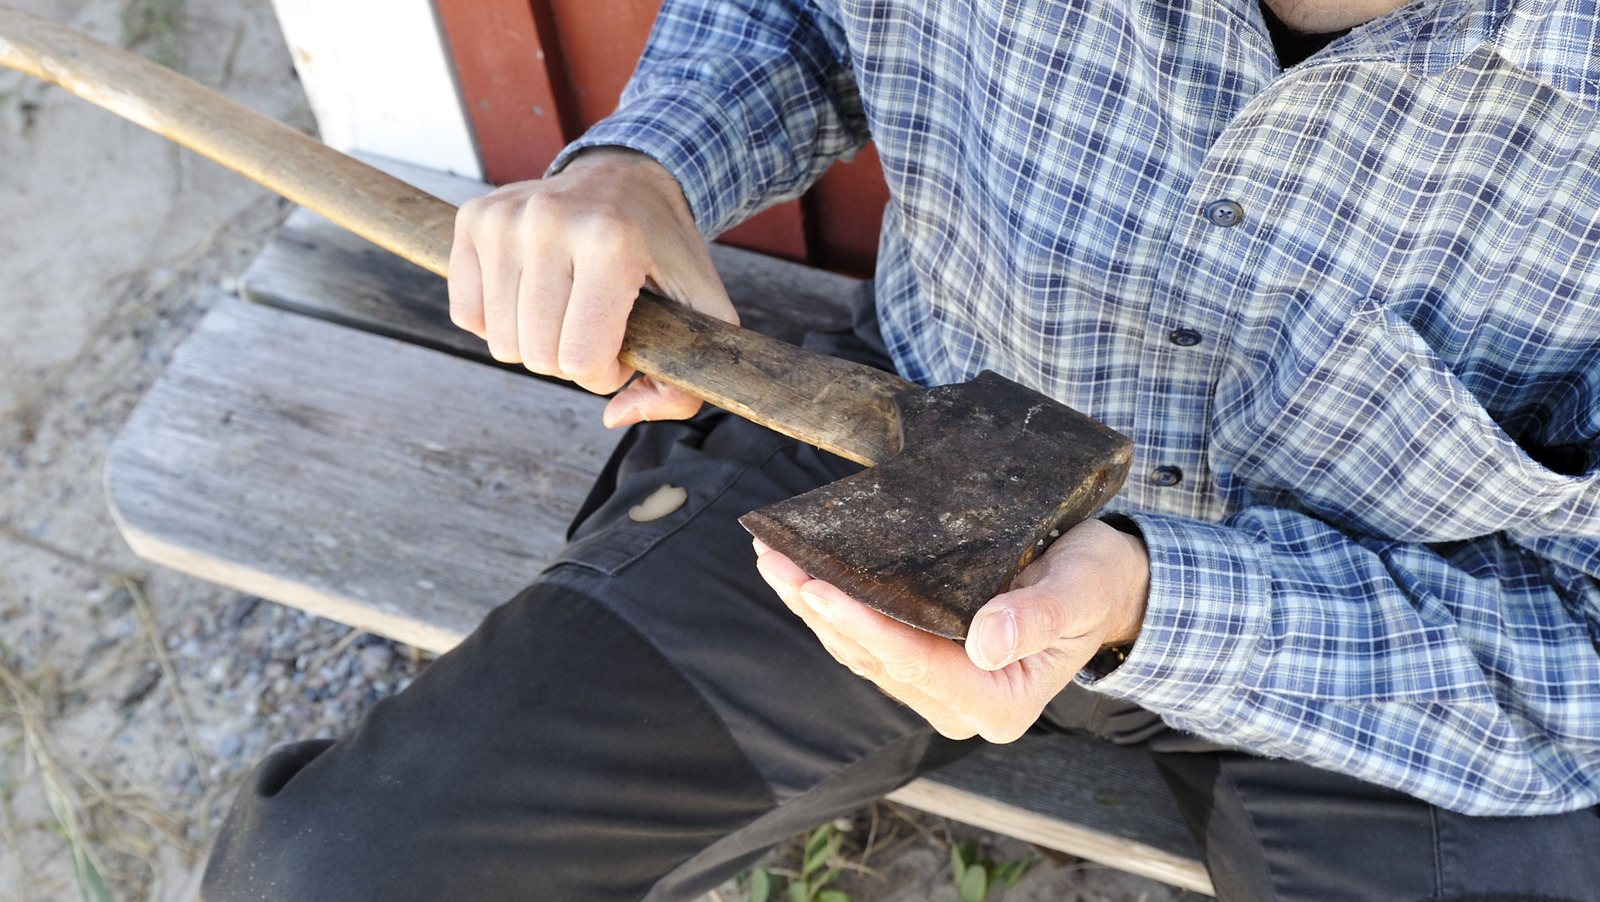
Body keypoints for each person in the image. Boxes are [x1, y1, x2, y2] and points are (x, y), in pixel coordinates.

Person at [200, 0, 1600, 899]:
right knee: (335, 877)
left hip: (1405, 651)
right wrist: (648, 165)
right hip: (902, 462)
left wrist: (1142, 601)